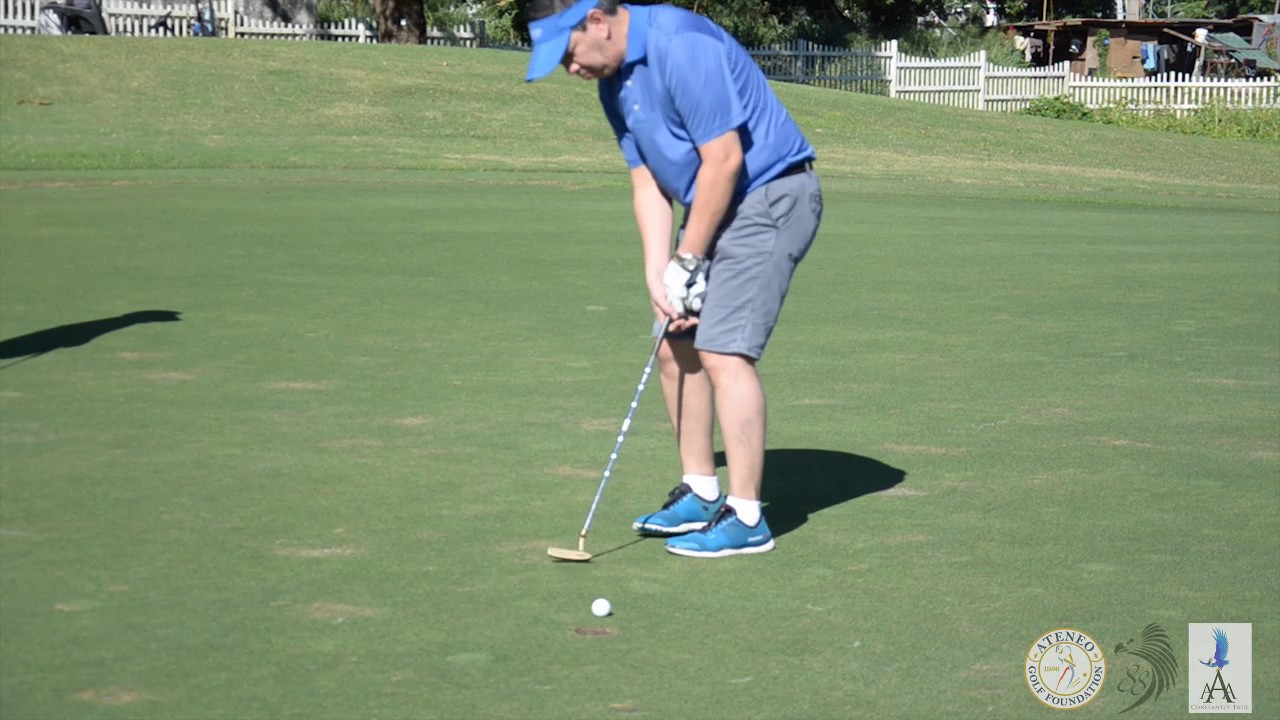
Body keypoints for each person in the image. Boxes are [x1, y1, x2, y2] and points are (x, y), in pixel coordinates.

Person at [525, 0, 822, 557]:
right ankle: (702, 492)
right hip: (717, 204)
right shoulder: (614, 85)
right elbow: (649, 184)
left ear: (596, 22)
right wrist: (659, 273)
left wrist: (688, 259)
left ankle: (747, 516)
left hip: (773, 194)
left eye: (568, 54)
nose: (571, 69)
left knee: (723, 351)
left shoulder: (681, 44)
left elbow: (724, 160)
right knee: (673, 340)